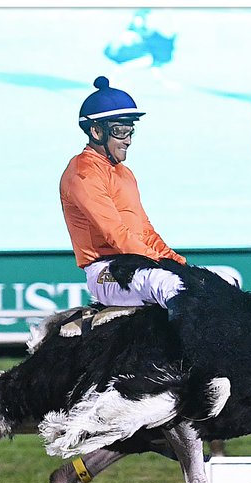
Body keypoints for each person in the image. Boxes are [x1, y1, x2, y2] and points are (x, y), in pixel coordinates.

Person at [59, 76, 187, 316]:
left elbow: (145, 231)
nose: (127, 140)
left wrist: (179, 262)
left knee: (223, 279)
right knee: (172, 285)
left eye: (131, 131)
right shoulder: (82, 173)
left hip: (139, 264)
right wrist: (165, 265)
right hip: (106, 272)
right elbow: (116, 235)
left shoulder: (125, 174)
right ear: (96, 131)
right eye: (119, 131)